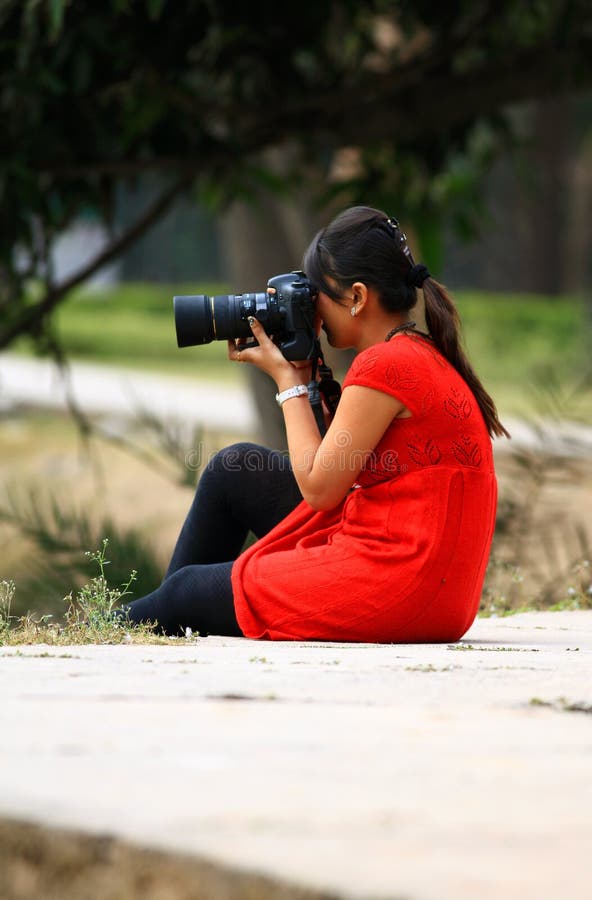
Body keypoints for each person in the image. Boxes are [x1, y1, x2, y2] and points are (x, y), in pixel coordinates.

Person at [119, 205, 510, 642]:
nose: (313, 311)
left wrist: (287, 382)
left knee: (187, 593)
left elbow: (320, 490)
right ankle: (162, 620)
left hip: (400, 581)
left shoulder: (385, 365)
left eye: (317, 295)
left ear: (357, 297)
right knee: (234, 470)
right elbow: (339, 469)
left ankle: (112, 628)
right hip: (434, 589)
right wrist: (305, 377)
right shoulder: (422, 353)